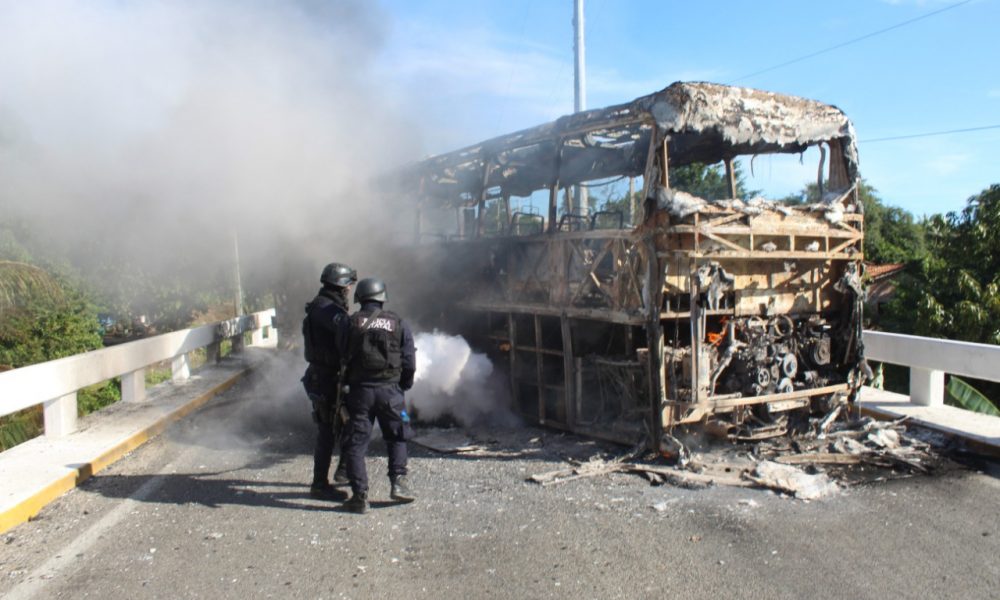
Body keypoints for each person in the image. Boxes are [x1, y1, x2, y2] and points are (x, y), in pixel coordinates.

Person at [341, 277, 416, 514]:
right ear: (382, 298)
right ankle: (399, 483)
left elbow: (340, 355)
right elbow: (409, 361)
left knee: (355, 443)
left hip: (360, 392)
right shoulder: (399, 323)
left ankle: (360, 496)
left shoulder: (350, 323)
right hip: (391, 393)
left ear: (360, 298)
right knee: (398, 436)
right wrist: (403, 384)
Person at [301, 262, 357, 499]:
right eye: (349, 286)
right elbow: (348, 330)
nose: (350, 291)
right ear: (342, 286)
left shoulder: (323, 305)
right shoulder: (327, 310)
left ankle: (341, 472)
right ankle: (320, 484)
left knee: (340, 425)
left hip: (323, 375)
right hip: (326, 378)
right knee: (329, 430)